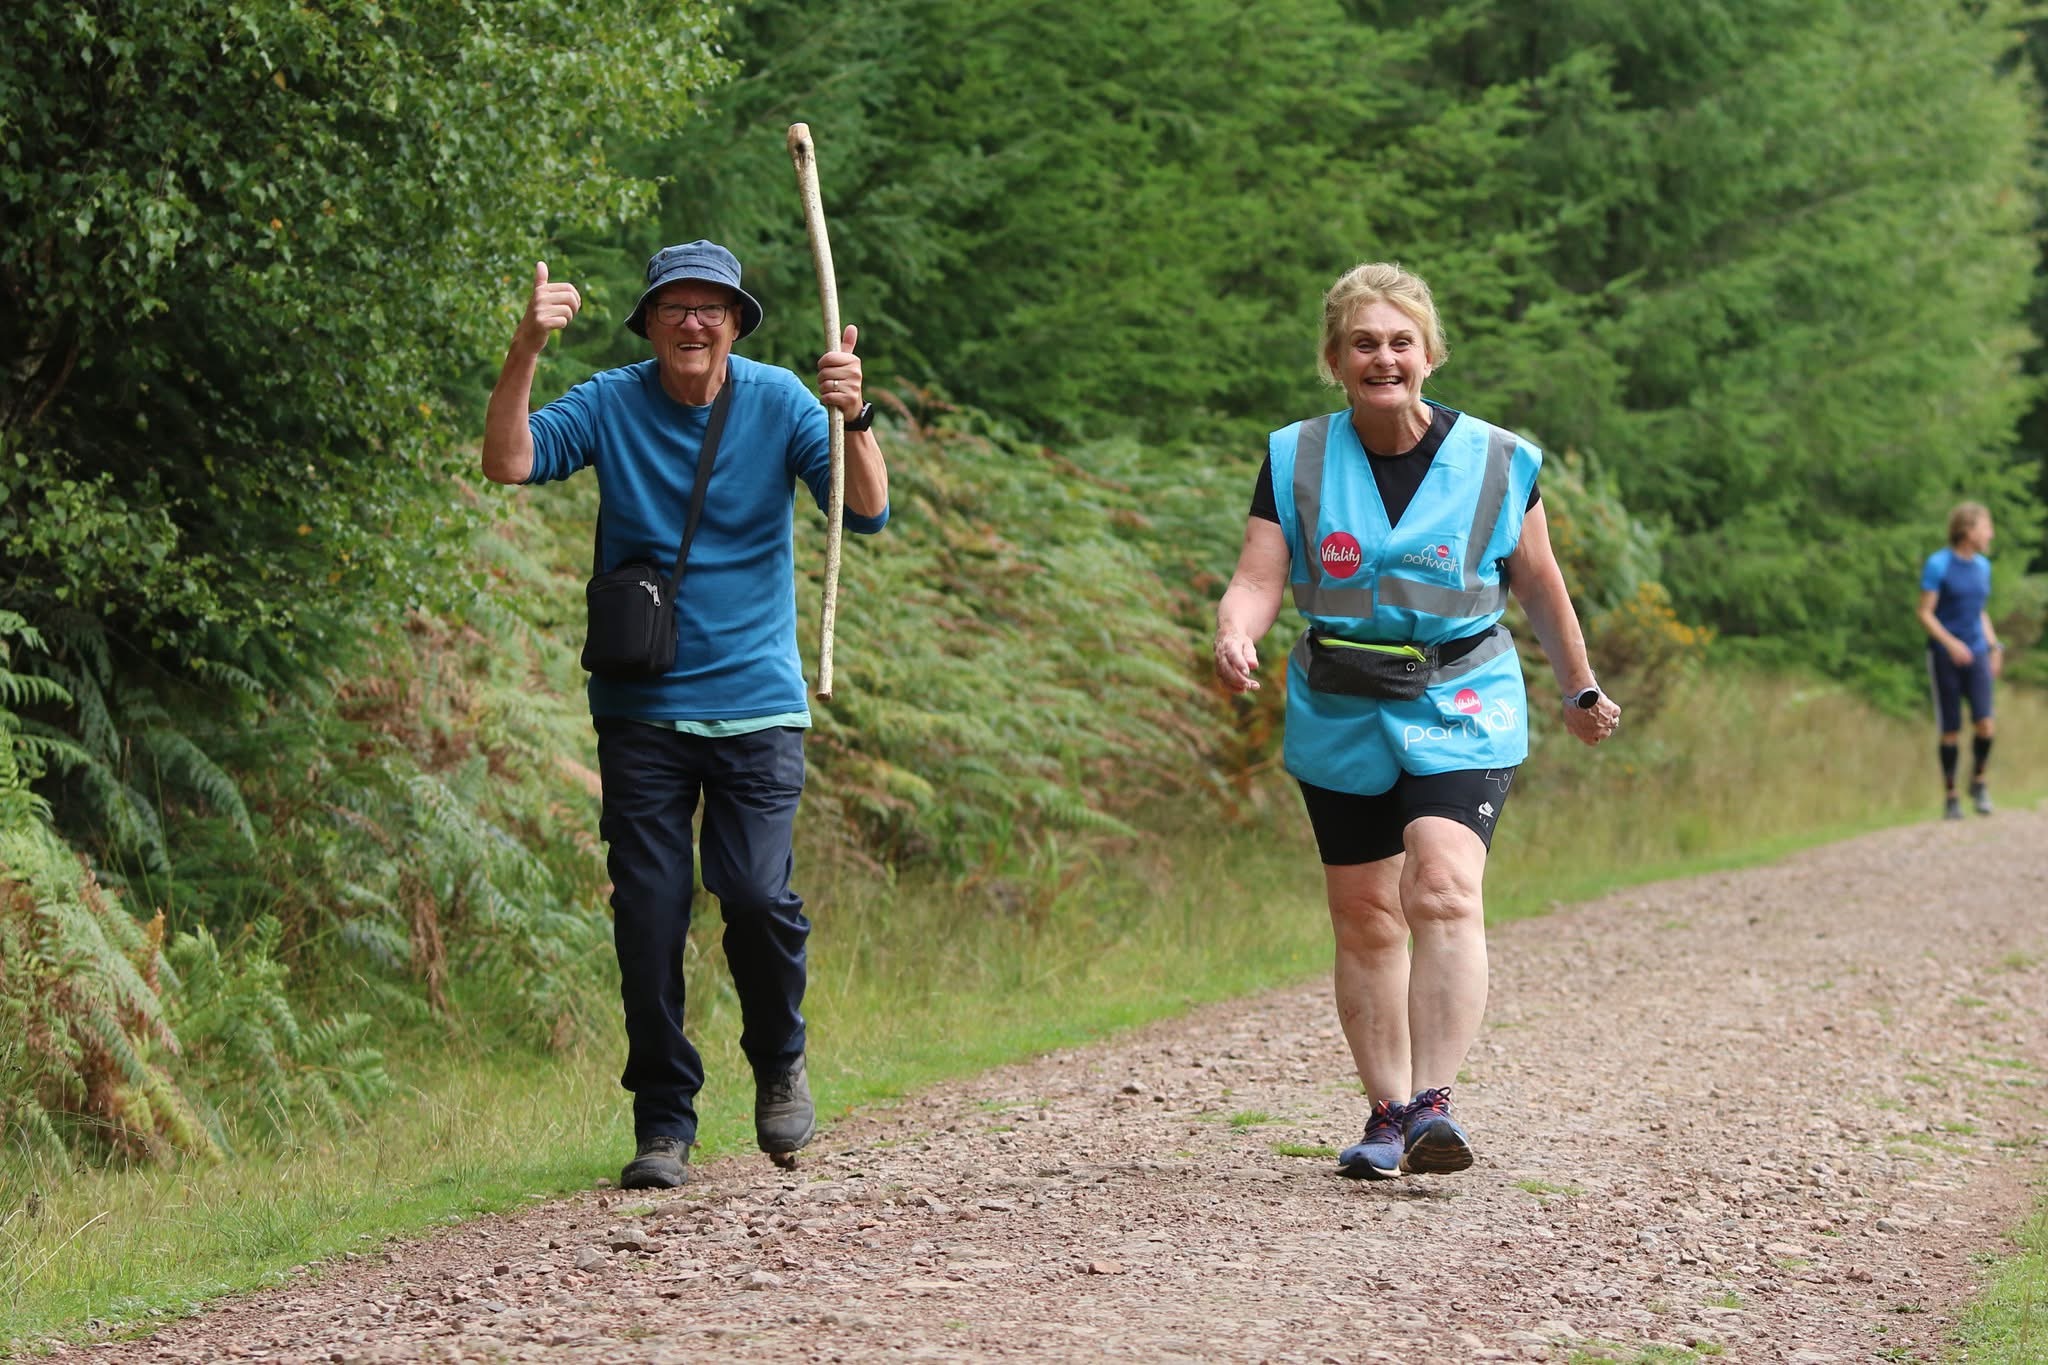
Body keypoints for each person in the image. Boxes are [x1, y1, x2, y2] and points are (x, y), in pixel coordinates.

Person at [481, 241, 889, 1190]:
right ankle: (663, 1119)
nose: (694, 323)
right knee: (651, 914)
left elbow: (864, 512)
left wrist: (853, 415)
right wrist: (524, 348)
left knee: (753, 895)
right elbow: (508, 462)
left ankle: (779, 1058)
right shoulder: (612, 401)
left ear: (737, 322)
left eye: (712, 308)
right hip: (641, 707)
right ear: (651, 322)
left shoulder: (785, 399)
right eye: (676, 307)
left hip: (756, 703)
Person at [1212, 261, 1619, 1180]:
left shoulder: (1499, 460)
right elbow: (1258, 575)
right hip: (1339, 702)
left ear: (1429, 354)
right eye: (1364, 343)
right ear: (1335, 359)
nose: (1383, 358)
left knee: (1440, 885)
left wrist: (1580, 688)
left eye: (1400, 342)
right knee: (1363, 916)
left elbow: (1541, 584)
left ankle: (1435, 1103)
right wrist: (1235, 633)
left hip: (1462, 697)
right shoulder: (1295, 457)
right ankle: (1388, 1113)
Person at [1917, 502, 2002, 820]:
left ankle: (1978, 781)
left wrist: (1994, 647)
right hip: (1944, 655)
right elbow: (1924, 612)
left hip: (1977, 651)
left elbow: (1979, 611)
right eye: (1986, 527)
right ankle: (1951, 795)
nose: (1990, 534)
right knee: (1950, 728)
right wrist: (1950, 644)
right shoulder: (1938, 565)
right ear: (1968, 531)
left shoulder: (1983, 567)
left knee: (1985, 723)